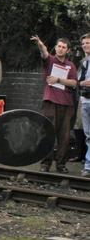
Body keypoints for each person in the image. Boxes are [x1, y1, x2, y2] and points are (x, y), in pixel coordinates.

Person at [31, 35, 78, 173]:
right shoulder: (50, 60)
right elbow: (44, 52)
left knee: (64, 136)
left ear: (67, 50)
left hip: (67, 104)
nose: (61, 49)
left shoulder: (71, 65)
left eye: (64, 47)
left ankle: (61, 164)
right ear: (55, 47)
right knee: (48, 132)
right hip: (51, 101)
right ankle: (45, 163)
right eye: (59, 46)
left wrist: (58, 79)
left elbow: (74, 83)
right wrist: (40, 43)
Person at [76, 33, 90, 177]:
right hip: (85, 100)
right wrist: (81, 83)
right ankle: (88, 166)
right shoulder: (83, 62)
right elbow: (78, 82)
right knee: (88, 135)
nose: (85, 45)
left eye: (88, 43)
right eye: (84, 43)